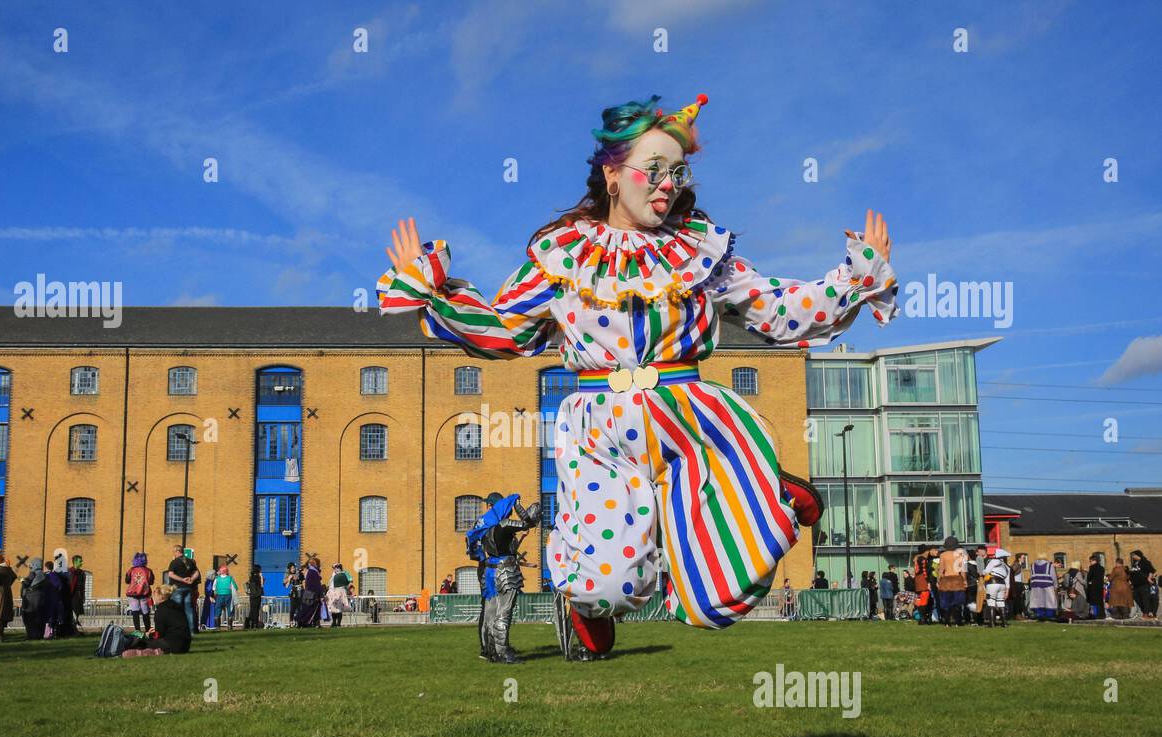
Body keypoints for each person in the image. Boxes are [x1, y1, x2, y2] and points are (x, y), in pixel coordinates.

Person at [379, 93, 897, 655]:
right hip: (600, 428)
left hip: (689, 418)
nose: (667, 183)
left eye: (677, 171)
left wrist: (852, 279)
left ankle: (767, 491)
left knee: (716, 598)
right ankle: (590, 611)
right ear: (611, 175)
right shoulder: (563, 256)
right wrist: (431, 292)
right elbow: (508, 331)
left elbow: (776, 308)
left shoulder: (698, 250)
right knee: (607, 585)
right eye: (653, 170)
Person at [469, 492, 540, 662]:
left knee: (490, 613)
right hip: (505, 572)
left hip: (489, 571)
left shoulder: (483, 528)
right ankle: (503, 653)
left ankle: (491, 651)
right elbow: (527, 523)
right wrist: (520, 506)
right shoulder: (504, 524)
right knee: (504, 613)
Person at [124, 585, 193, 655]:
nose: (153, 598)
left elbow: (159, 634)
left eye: (154, 596)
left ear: (160, 597)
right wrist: (155, 630)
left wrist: (148, 635)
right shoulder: (177, 607)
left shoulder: (160, 611)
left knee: (141, 642)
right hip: (185, 645)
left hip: (172, 644)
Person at [166, 545, 201, 634]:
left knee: (176, 609)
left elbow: (170, 574)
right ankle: (192, 630)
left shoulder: (174, 562)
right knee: (188, 609)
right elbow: (197, 572)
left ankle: (177, 629)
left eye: (174, 552)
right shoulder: (189, 561)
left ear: (177, 551)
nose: (173, 553)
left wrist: (182, 579)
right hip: (188, 588)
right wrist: (192, 579)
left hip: (177, 588)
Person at [936, 537, 968, 627]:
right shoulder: (959, 554)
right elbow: (962, 569)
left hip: (946, 580)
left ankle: (947, 622)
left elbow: (941, 569)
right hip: (957, 579)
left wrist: (938, 580)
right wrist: (964, 580)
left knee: (946, 602)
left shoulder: (943, 555)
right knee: (957, 602)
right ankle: (958, 622)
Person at [124, 553, 155, 633]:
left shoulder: (131, 570)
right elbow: (151, 582)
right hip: (144, 593)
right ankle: (148, 630)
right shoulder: (148, 571)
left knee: (135, 611)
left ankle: (137, 631)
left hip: (132, 593)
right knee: (145, 612)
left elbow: (127, 581)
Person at [19, 557, 48, 640]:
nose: (30, 566)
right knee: (39, 618)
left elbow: (26, 583)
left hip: (31, 599)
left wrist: (21, 580)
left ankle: (31, 636)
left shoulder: (33, 573)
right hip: (40, 598)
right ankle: (39, 636)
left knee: (29, 618)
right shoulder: (43, 574)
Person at [982, 549, 1012, 628]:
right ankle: (1004, 623)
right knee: (1001, 603)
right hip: (1002, 585)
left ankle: (992, 623)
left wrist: (982, 572)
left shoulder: (993, 561)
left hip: (992, 583)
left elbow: (986, 571)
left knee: (991, 602)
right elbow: (1007, 581)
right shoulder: (1006, 567)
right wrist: (1007, 591)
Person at [1027, 553, 1058, 621]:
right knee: (1050, 601)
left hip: (1036, 585)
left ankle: (1040, 614)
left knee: (1038, 601)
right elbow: (1053, 576)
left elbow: (1031, 576)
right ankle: (1049, 615)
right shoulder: (1049, 565)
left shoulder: (1033, 565)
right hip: (1048, 585)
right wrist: (1056, 586)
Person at [295, 556, 324, 628]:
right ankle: (302, 621)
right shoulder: (314, 572)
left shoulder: (309, 571)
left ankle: (301, 622)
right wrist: (321, 595)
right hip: (313, 594)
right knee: (309, 609)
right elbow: (317, 585)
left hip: (308, 593)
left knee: (306, 609)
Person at [1127, 550, 1156, 620]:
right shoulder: (1134, 564)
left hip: (1144, 584)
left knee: (1145, 599)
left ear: (1138, 555)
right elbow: (1132, 573)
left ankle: (1146, 614)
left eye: (1134, 555)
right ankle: (1146, 613)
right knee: (1137, 598)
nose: (1133, 556)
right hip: (1136, 586)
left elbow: (1152, 570)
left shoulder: (1145, 562)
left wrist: (1149, 578)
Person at [212, 564, 240, 630]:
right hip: (228, 595)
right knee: (230, 609)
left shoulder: (217, 579)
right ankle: (230, 625)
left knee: (217, 609)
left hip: (219, 596)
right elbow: (235, 587)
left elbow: (213, 588)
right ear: (226, 571)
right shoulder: (230, 578)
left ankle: (217, 626)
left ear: (220, 571)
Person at [326, 563, 353, 628]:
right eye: (335, 568)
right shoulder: (333, 575)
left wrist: (348, 588)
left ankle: (338, 623)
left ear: (340, 568)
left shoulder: (344, 573)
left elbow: (350, 581)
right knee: (333, 608)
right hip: (333, 592)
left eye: (336, 568)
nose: (335, 569)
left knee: (339, 608)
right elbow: (329, 583)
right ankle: (334, 622)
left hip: (340, 591)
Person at [68, 555, 88, 634]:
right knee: (72, 614)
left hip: (78, 596)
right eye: (80, 561)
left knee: (77, 613)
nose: (82, 562)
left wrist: (83, 596)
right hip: (71, 596)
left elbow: (82, 586)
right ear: (75, 562)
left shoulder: (82, 573)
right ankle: (73, 629)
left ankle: (74, 629)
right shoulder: (70, 572)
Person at [1084, 555, 1105, 620]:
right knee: (1100, 601)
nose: (1090, 563)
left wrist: (1087, 573)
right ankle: (1101, 614)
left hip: (1093, 587)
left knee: (1094, 601)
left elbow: (1089, 577)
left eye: (1090, 561)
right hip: (1100, 586)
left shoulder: (1092, 567)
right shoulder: (1102, 568)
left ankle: (1095, 614)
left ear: (1093, 560)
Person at [245, 564, 264, 629]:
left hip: (252, 596)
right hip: (257, 595)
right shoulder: (258, 577)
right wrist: (261, 577)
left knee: (252, 610)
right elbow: (261, 585)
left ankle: (249, 624)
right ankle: (255, 624)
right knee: (256, 610)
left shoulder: (251, 577)